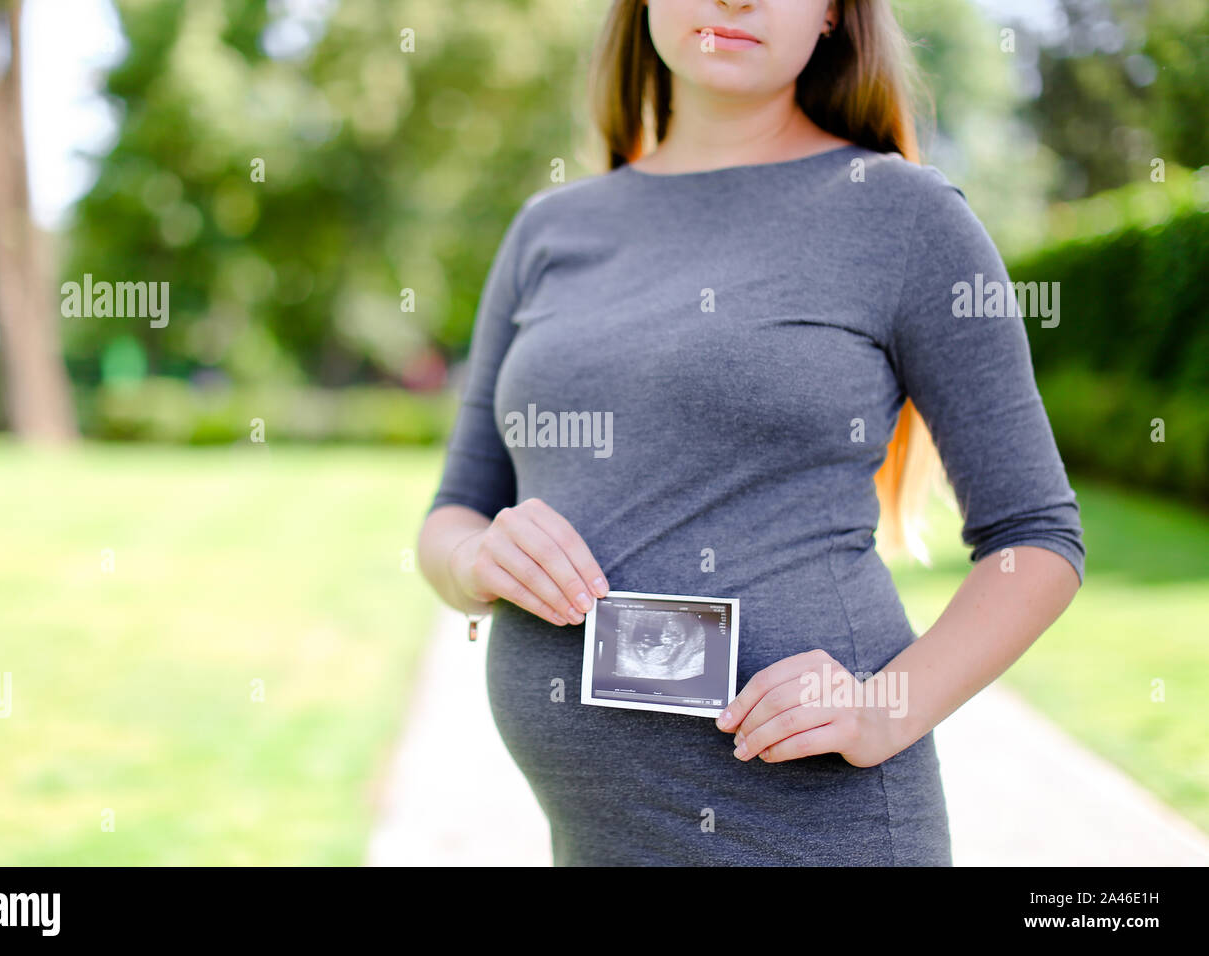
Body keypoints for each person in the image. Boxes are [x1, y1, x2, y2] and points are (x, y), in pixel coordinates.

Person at [417, 0, 1085, 866]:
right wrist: (475, 561)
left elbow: (1036, 538)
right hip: (597, 843)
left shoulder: (906, 217)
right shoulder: (549, 231)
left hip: (815, 833)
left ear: (835, 17)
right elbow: (454, 514)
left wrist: (889, 706)